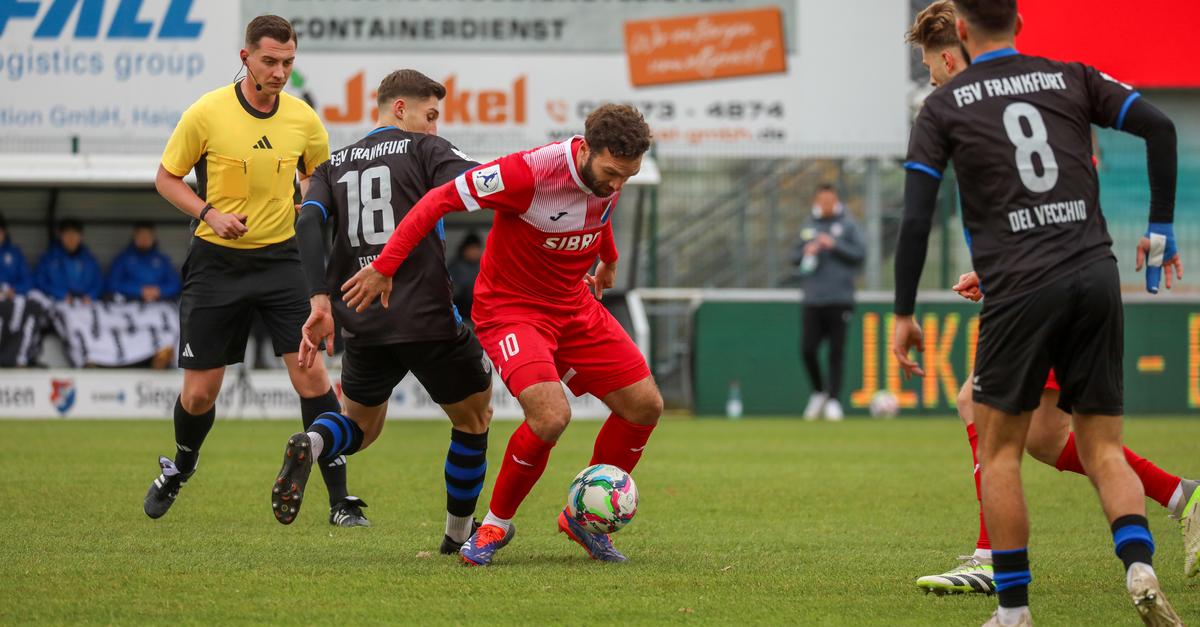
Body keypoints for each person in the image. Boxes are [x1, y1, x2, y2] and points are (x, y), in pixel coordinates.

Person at [893, 1, 1184, 624]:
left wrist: (903, 312)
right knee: (1099, 447)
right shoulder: (1071, 78)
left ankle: (1012, 607)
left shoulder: (947, 106)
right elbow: (1160, 126)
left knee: (1000, 446)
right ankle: (1139, 563)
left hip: (1024, 289)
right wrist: (1160, 229)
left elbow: (916, 218)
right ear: (1020, 23)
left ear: (961, 34)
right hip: (1095, 274)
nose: (930, 74)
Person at [342, 104, 663, 566]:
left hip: (573, 305)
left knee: (645, 406)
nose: (618, 184)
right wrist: (384, 266)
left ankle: (584, 520)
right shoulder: (527, 174)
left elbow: (598, 210)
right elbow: (437, 201)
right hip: (513, 312)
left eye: (627, 177)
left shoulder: (607, 176)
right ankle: (493, 526)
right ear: (586, 148)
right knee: (551, 416)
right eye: (613, 172)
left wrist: (608, 258)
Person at [144, 15, 368, 527]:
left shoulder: (304, 120)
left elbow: (317, 182)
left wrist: (311, 207)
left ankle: (340, 501)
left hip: (283, 262)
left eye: (288, 62)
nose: (281, 72)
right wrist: (209, 213)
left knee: (313, 378)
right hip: (215, 264)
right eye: (270, 61)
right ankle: (180, 467)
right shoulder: (207, 112)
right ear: (245, 58)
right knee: (199, 393)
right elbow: (166, 177)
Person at [272, 69, 495, 554]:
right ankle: (459, 536)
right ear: (400, 108)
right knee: (475, 417)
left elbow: (307, 221)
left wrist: (319, 297)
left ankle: (312, 444)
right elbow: (483, 184)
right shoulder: (423, 149)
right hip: (428, 317)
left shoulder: (334, 165)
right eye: (430, 115)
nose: (434, 127)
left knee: (359, 428)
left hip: (362, 314)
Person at [792, 184, 864, 421]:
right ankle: (818, 391)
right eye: (821, 200)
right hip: (813, 298)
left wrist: (834, 245)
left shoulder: (848, 224)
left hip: (840, 298)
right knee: (808, 349)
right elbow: (793, 258)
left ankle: (833, 399)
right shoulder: (807, 225)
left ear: (835, 200)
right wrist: (807, 251)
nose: (825, 205)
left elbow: (860, 254)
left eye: (829, 200)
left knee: (836, 351)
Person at [105, 221, 182, 303]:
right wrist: (140, 291)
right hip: (129, 304)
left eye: (148, 236)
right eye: (141, 236)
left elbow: (175, 284)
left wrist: (158, 291)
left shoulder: (162, 260)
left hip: (158, 304)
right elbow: (111, 284)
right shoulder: (123, 259)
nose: (144, 240)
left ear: (153, 237)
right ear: (134, 236)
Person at [35, 218, 102, 304]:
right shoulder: (49, 258)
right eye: (67, 234)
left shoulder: (89, 259)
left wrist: (90, 295)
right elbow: (39, 281)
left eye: (75, 234)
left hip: (86, 305)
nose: (71, 238)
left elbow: (99, 283)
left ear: (81, 236)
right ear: (60, 236)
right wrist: (61, 294)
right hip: (57, 303)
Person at [448, 232, 483, 324]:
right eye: (472, 248)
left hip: (480, 314)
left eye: (477, 248)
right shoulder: (455, 266)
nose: (474, 252)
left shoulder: (483, 266)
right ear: (465, 249)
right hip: (461, 315)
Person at [0, 213, 33, 299]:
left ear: (4, 232)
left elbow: (27, 281)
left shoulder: (15, 253)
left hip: (10, 298)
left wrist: (14, 289)